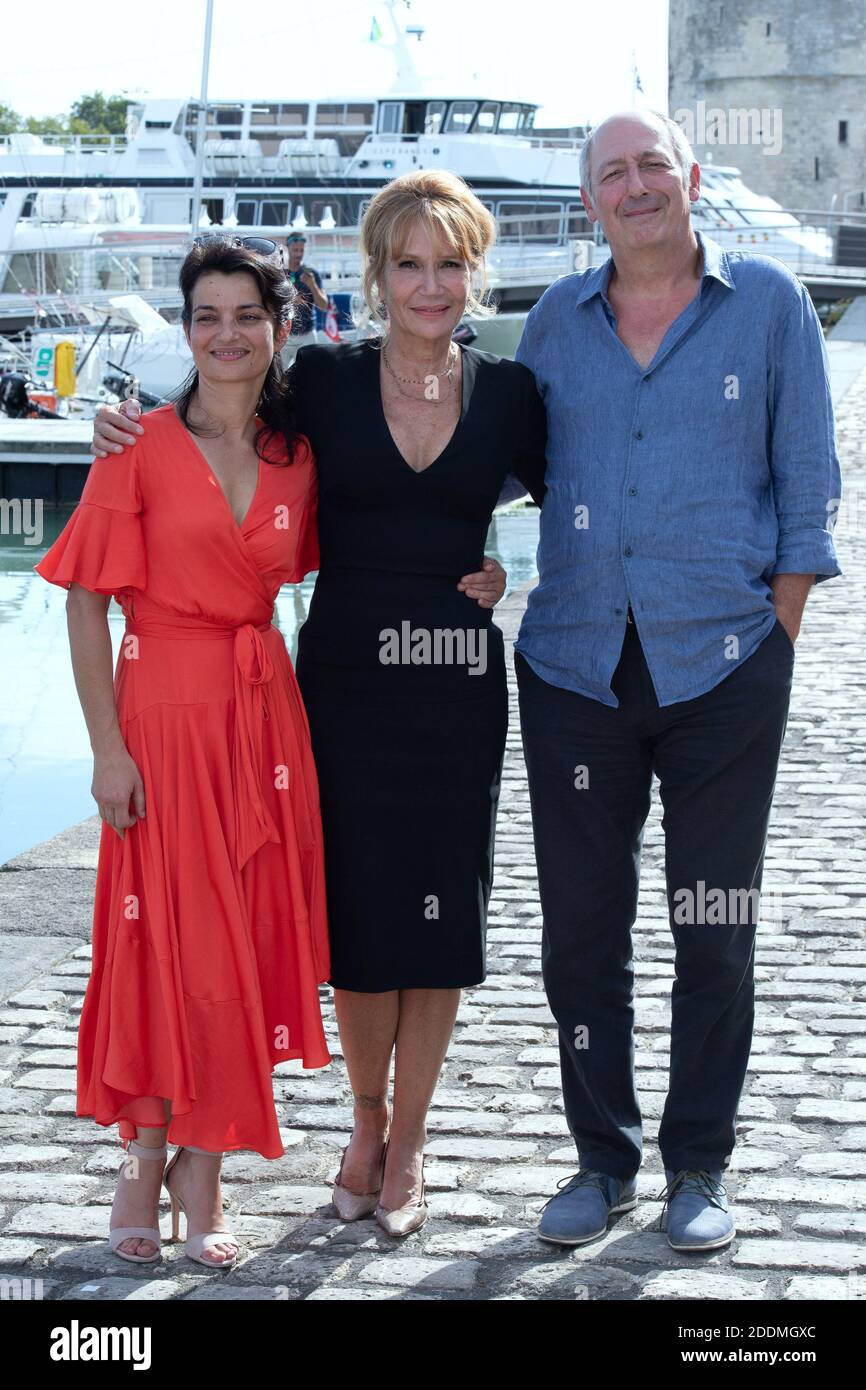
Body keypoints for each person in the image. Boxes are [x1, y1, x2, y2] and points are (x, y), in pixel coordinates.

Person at [91, 169, 547, 1238]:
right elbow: (216, 406)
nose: (428, 284)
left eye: (447, 263)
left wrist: (505, 568)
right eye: (407, 263)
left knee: (443, 918)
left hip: (455, 689)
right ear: (378, 275)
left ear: (470, 274)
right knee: (353, 916)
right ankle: (362, 1118)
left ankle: (410, 1144)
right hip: (338, 689)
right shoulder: (326, 384)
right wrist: (121, 425)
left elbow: (565, 501)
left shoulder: (513, 395)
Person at [513, 109, 842, 1251]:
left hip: (722, 667)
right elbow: (478, 454)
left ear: (690, 177)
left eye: (652, 162)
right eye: (612, 173)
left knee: (713, 925)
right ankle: (598, 1160)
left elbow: (807, 482)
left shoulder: (769, 306)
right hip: (572, 669)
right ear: (591, 202)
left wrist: (775, 635)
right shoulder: (554, 319)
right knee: (578, 933)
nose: (636, 184)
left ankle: (697, 1160)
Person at [36, 240, 334, 1269]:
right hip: (159, 717)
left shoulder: (300, 455)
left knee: (239, 937)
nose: (226, 334)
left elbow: (375, 543)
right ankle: (145, 1151)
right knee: (162, 938)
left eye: (245, 313)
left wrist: (473, 570)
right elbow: (82, 600)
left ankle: (201, 1163)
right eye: (205, 315)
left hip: (261, 727)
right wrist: (105, 750)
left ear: (276, 325)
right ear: (186, 328)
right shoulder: (134, 445)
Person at [282, 232, 329, 358]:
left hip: (307, 334)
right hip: (284, 334)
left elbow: (324, 306)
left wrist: (312, 285)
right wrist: (290, 299)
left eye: (301, 250)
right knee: (279, 374)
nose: (298, 254)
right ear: (288, 249)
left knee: (313, 373)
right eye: (295, 250)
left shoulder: (311, 274)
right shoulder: (280, 274)